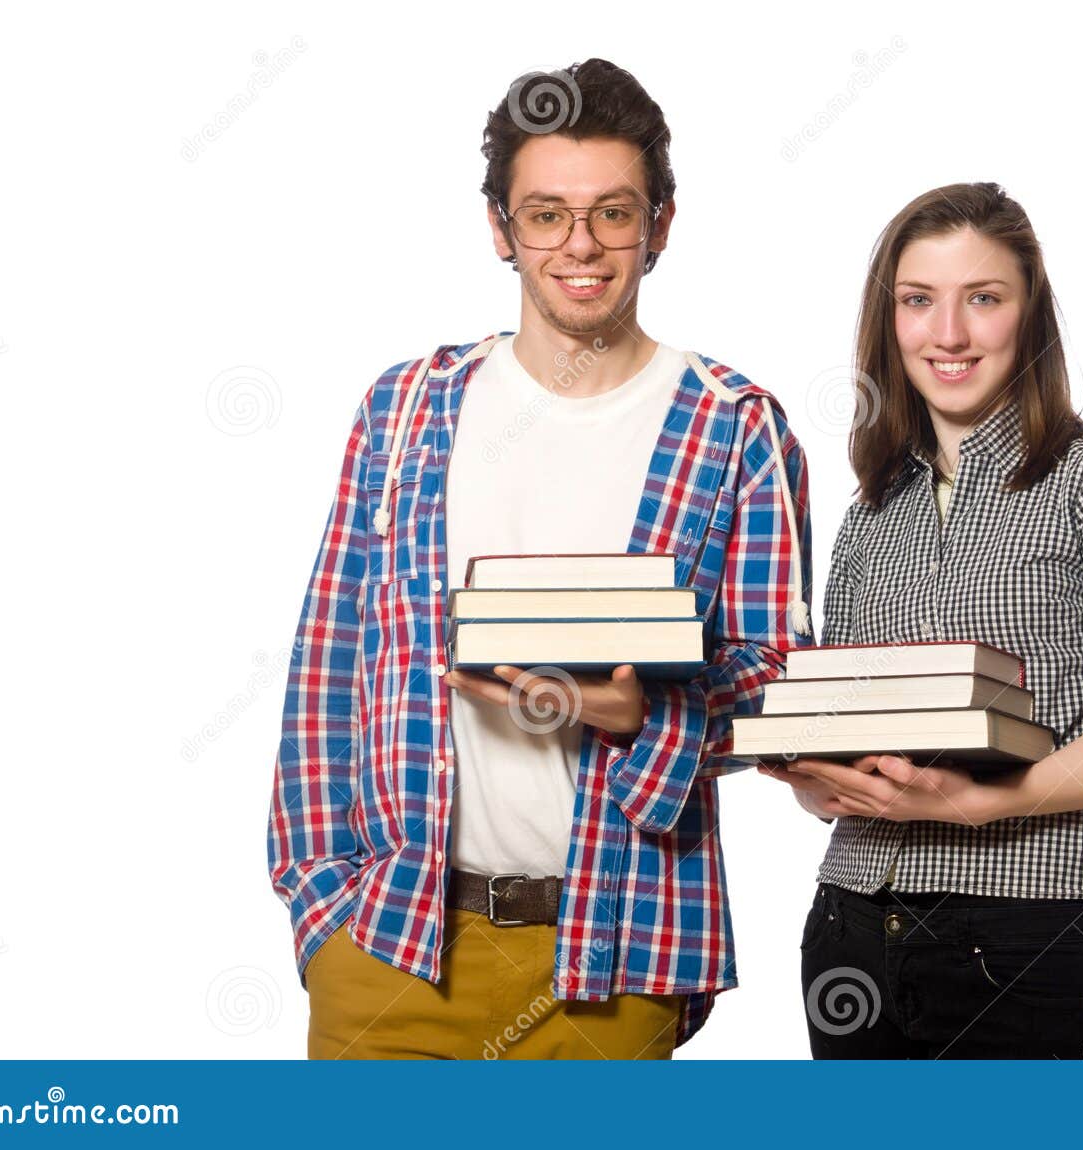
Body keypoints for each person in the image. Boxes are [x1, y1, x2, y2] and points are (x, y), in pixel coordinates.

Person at [267, 58, 813, 1059]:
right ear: (500, 229)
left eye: (613, 213)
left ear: (660, 225)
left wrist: (647, 717)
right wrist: (320, 909)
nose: (581, 245)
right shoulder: (404, 410)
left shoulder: (737, 426)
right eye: (547, 214)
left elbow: (774, 673)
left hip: (614, 957)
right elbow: (329, 664)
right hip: (390, 948)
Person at [763, 182, 1083, 1059]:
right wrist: (817, 780)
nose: (950, 334)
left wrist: (982, 806)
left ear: (1028, 315)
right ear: (889, 321)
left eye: (984, 300)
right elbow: (840, 719)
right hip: (852, 927)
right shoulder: (872, 511)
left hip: (1029, 932)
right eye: (919, 301)